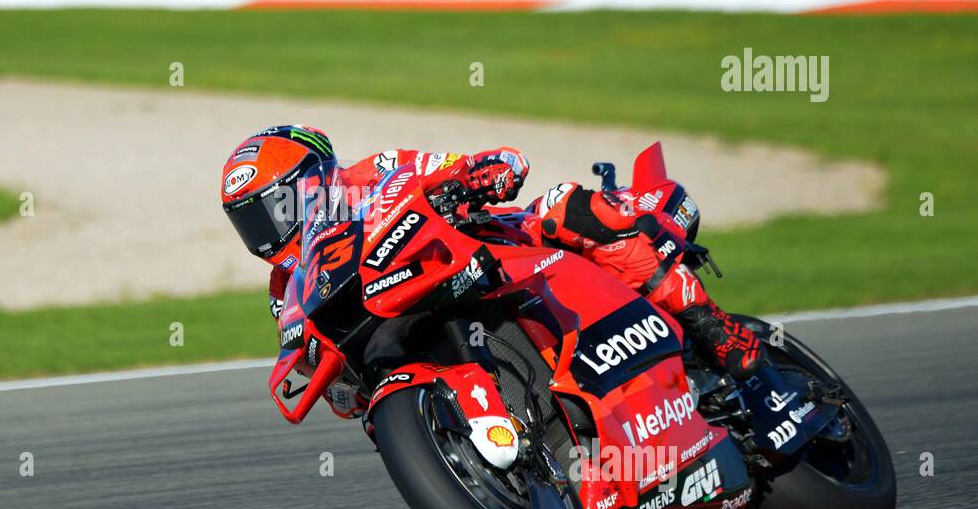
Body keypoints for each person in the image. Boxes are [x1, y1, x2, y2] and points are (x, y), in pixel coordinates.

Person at [219, 124, 758, 378]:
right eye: (252, 221)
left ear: (314, 180)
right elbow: (321, 380)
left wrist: (483, 172)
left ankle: (710, 324)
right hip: (416, 339)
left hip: (488, 253)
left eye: (274, 207)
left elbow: (458, 166)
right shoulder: (287, 292)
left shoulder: (376, 172)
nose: (269, 231)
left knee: (562, 204)